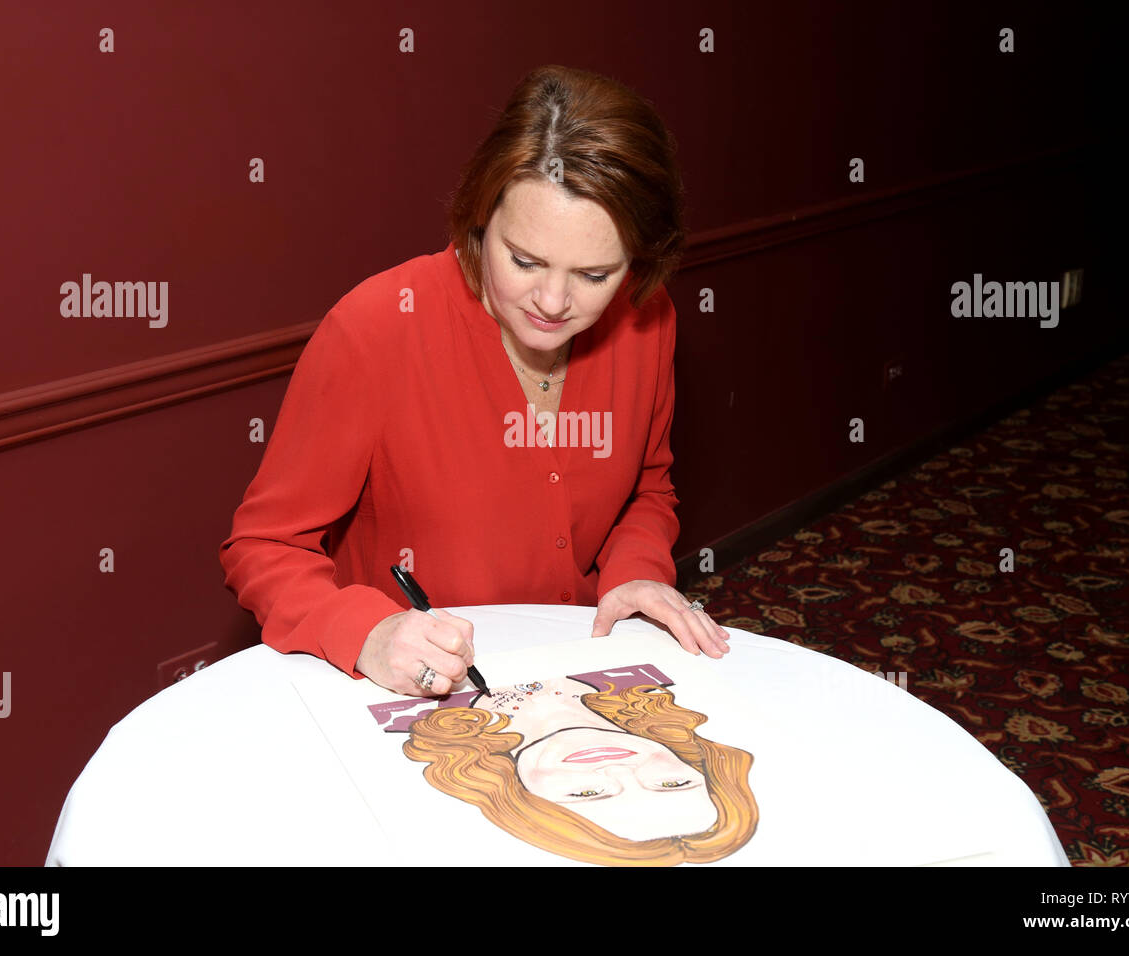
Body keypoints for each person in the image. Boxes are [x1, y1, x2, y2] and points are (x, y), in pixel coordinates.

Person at [219, 64, 730, 698]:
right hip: (397, 693)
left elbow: (647, 492)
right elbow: (264, 545)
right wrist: (366, 632)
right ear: (479, 218)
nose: (552, 300)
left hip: (576, 672)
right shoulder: (375, 329)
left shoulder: (646, 321)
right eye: (524, 261)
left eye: (595, 274)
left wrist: (635, 572)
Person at [401, 674, 758, 865]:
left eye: (587, 793)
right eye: (672, 782)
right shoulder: (637, 677)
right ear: (696, 764)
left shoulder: (408, 715)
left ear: (520, 799)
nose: (617, 771)